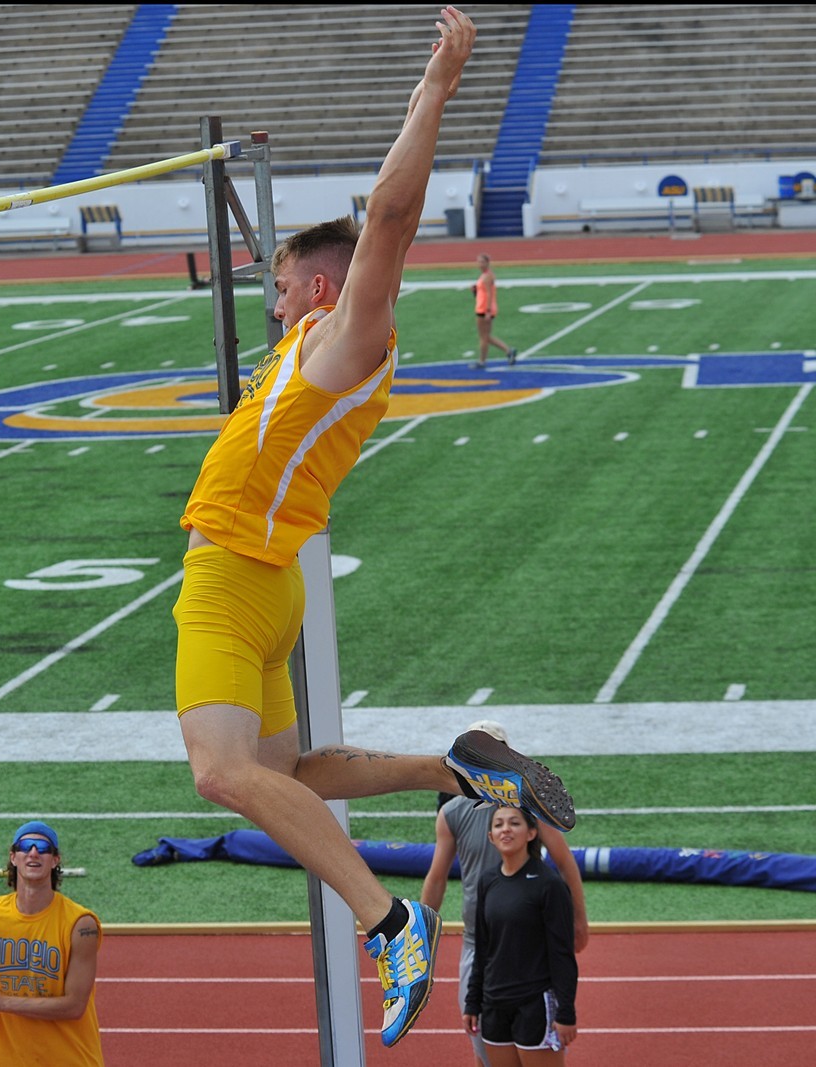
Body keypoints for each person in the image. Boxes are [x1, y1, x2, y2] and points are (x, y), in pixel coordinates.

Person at [172, 7, 576, 1047]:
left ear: (314, 289)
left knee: (221, 774)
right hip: (262, 584)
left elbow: (385, 223)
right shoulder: (307, 343)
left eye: (274, 286)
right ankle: (457, 771)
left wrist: (437, 90)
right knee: (285, 775)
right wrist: (416, 86)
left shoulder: (346, 340)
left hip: (233, 576)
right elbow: (358, 235)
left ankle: (388, 918)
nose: (263, 303)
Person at [421, 721, 589, 1067]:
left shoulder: (533, 807)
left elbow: (565, 862)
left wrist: (579, 919)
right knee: (482, 1042)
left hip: (530, 939)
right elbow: (437, 878)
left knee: (538, 1043)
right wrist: (422, 936)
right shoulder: (451, 813)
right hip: (479, 942)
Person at [0, 820, 103, 1066]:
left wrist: (2, 1002)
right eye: (26, 846)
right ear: (13, 857)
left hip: (70, 1060)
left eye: (43, 847)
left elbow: (74, 1006)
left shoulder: (80, 924)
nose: (34, 852)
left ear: (55, 860)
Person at [464, 807, 579, 1065]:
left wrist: (566, 1012)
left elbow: (562, 954)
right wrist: (473, 1001)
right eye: (498, 824)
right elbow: (483, 948)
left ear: (531, 833)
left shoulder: (549, 885)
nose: (505, 829)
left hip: (534, 1003)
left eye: (514, 823)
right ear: (491, 836)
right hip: (494, 1004)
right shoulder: (487, 881)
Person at [469, 253, 517, 369]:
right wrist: (474, 290)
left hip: (484, 309)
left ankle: (482, 361)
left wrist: (488, 311)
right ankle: (508, 351)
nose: (480, 264)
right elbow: (482, 294)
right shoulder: (484, 275)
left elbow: (489, 294)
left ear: (487, 263)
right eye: (478, 262)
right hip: (482, 307)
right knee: (486, 337)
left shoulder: (487, 276)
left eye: (482, 262)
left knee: (484, 337)